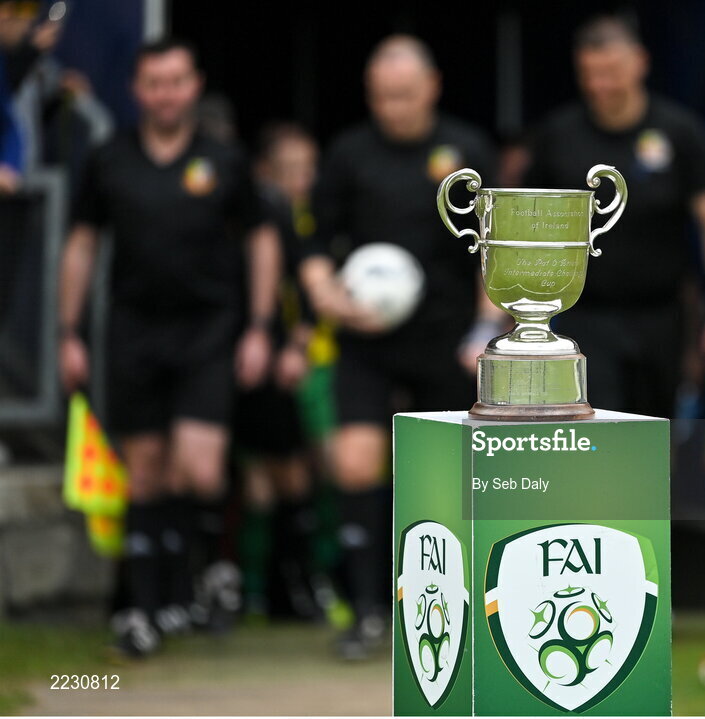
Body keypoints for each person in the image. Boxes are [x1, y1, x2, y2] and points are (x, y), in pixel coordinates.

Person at [57, 37, 281, 657]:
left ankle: (206, 576)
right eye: (154, 83)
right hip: (133, 331)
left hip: (209, 330)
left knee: (199, 468)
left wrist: (260, 326)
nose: (166, 94)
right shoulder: (109, 159)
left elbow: (262, 239)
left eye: (176, 81)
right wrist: (68, 332)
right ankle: (147, 608)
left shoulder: (224, 159)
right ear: (138, 90)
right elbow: (82, 243)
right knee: (147, 472)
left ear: (194, 85)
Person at [298, 34, 499, 658]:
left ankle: (452, 612)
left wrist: (485, 328)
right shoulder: (349, 154)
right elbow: (312, 241)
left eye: (405, 95)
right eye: (382, 96)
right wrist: (325, 294)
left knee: (444, 477)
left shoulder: (467, 150)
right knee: (355, 463)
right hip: (365, 337)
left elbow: (492, 247)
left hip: (445, 338)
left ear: (432, 87)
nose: (394, 107)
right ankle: (367, 611)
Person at [521, 14, 705, 419]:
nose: (600, 85)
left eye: (610, 73)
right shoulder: (557, 136)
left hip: (662, 315)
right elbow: (521, 225)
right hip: (582, 315)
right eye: (590, 74)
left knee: (655, 429)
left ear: (640, 63)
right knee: (594, 429)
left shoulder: (680, 132)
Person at [234, 122, 320, 621]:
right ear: (263, 171)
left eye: (308, 169)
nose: (300, 180)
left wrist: (297, 345)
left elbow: (308, 294)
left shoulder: (313, 221)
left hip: (285, 359)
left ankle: (287, 587)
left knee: (291, 473)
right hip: (245, 357)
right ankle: (257, 588)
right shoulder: (258, 216)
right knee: (258, 475)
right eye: (289, 170)